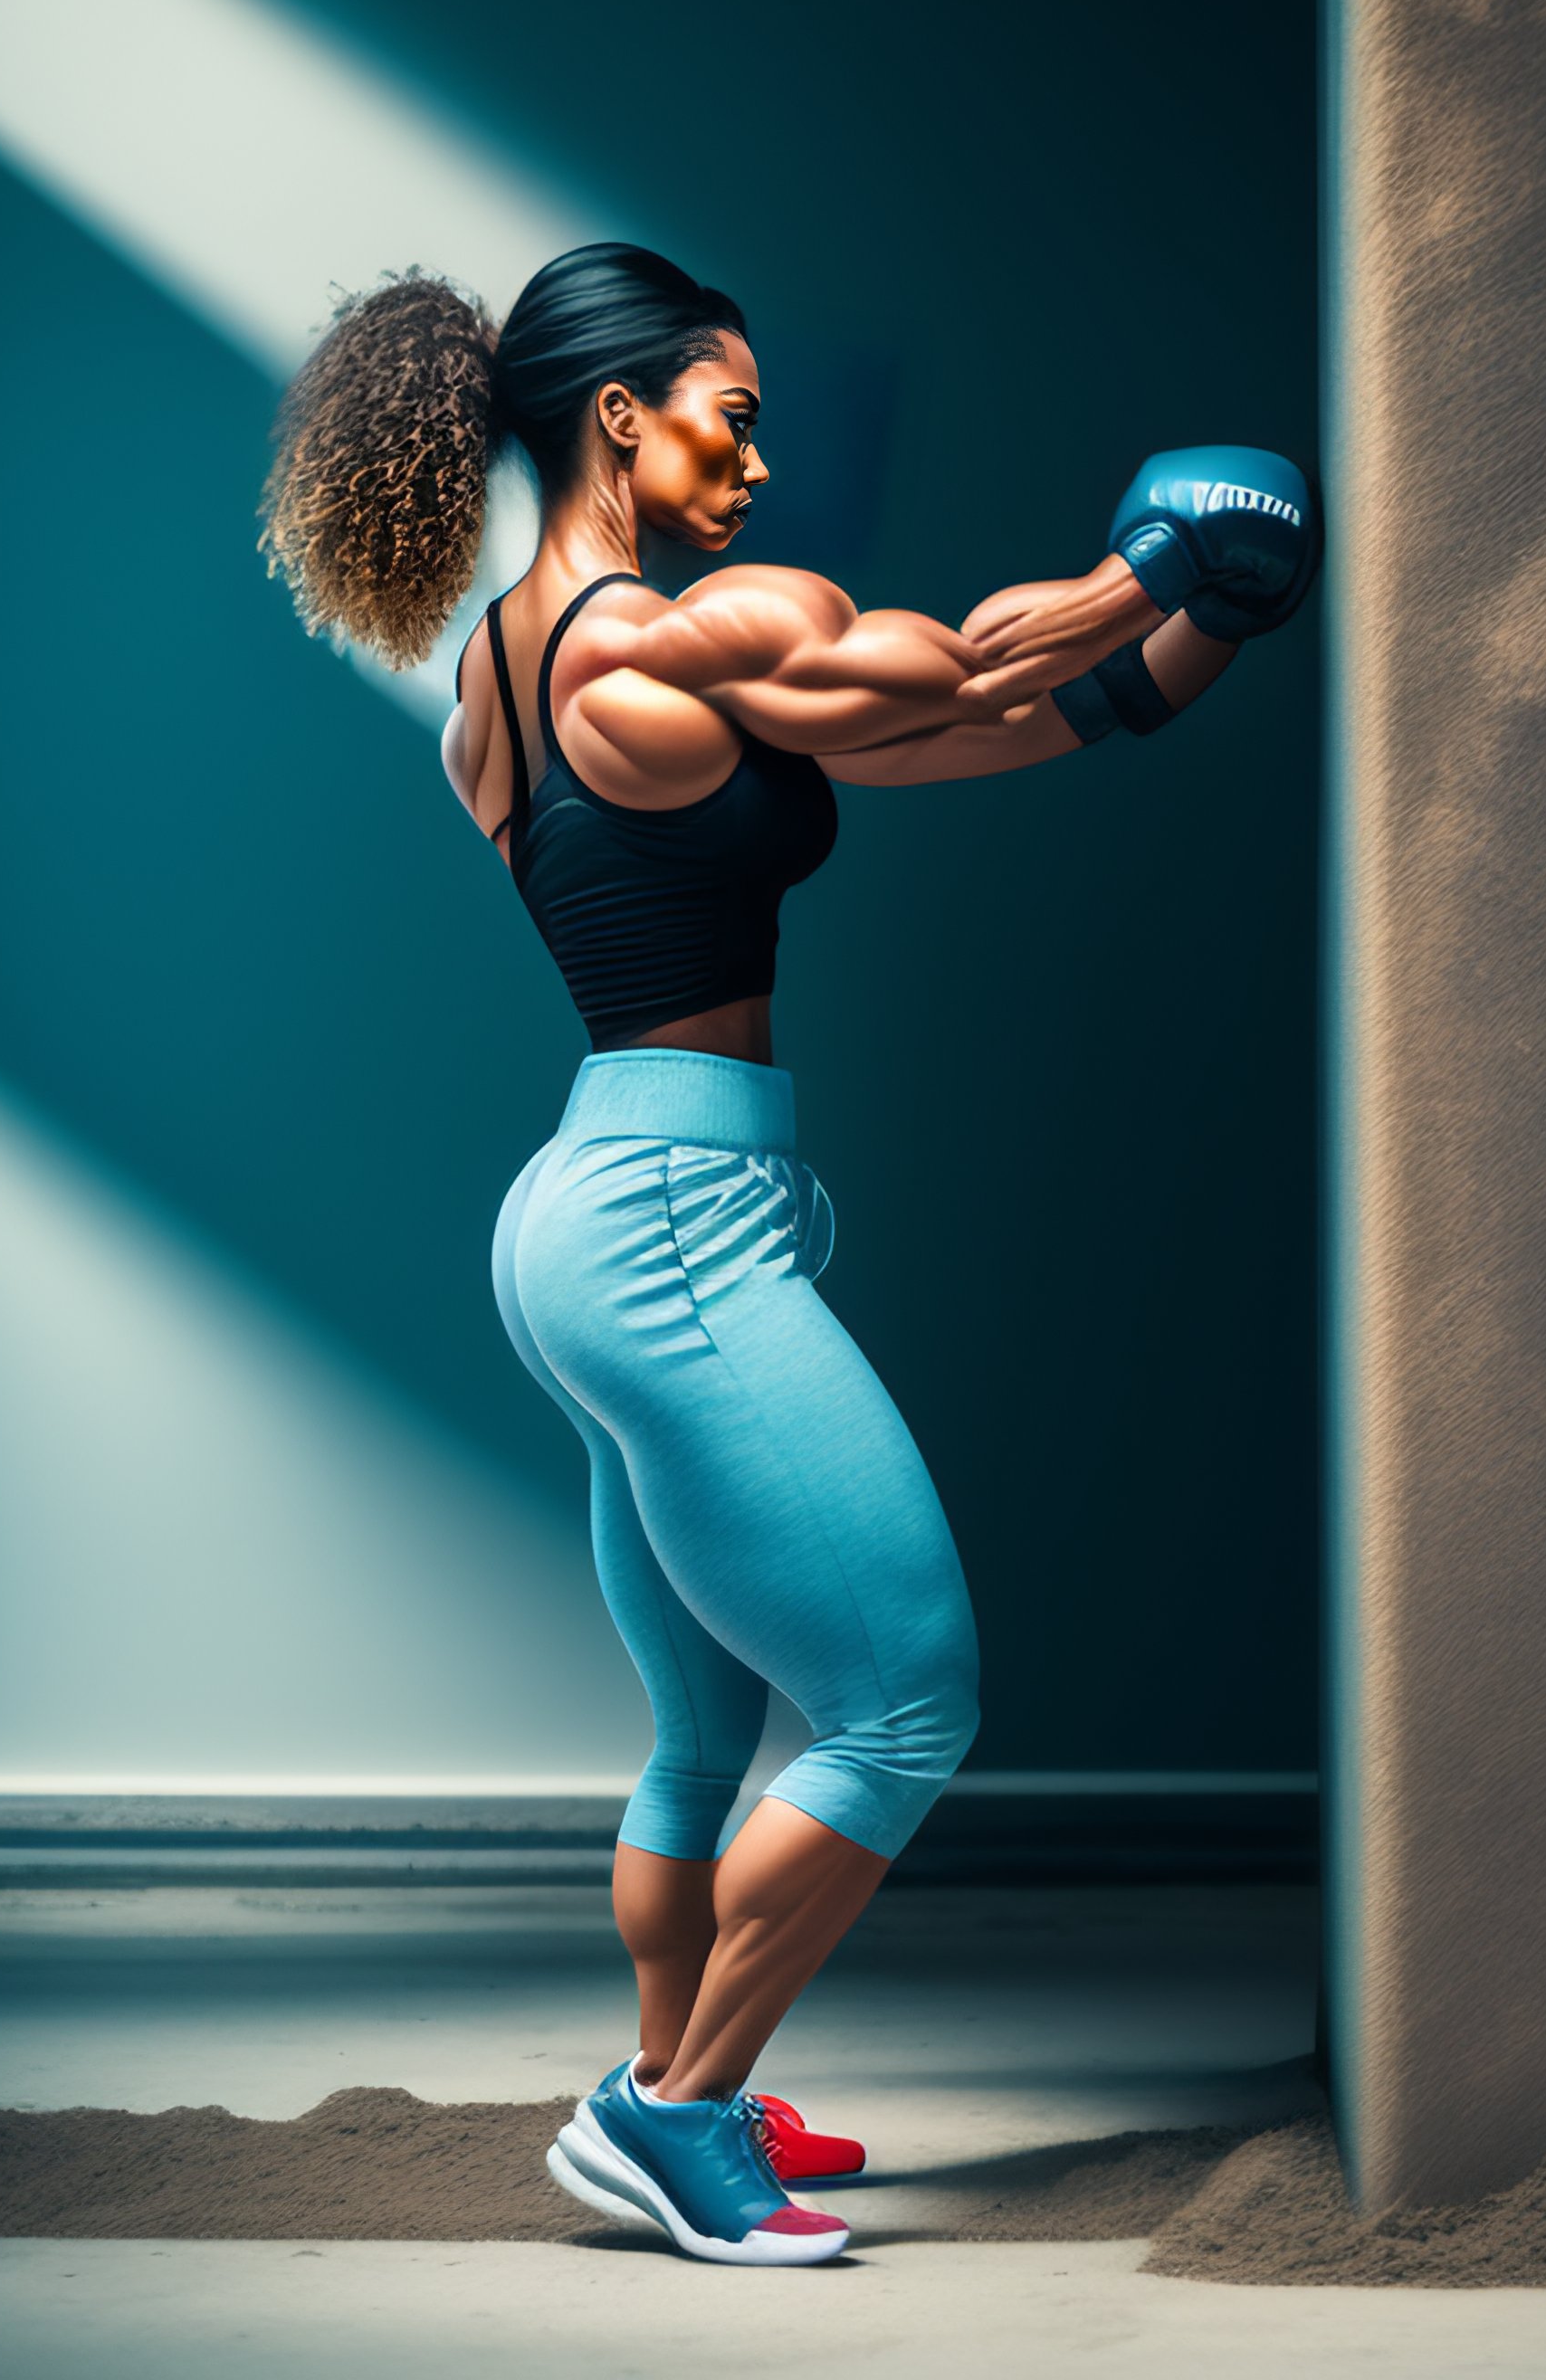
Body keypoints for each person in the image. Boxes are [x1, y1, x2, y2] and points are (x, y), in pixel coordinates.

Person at [257, 243, 1315, 2267]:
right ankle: (663, 2110)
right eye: (729, 423)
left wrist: (1192, 640)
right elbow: (975, 669)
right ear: (621, 420)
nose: (755, 466)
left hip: (585, 1204)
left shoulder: (496, 683)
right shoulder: (655, 643)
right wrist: (1174, 552)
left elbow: (983, 735)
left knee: (698, 1731)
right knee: (907, 1699)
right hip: (668, 1225)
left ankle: (700, 2088)